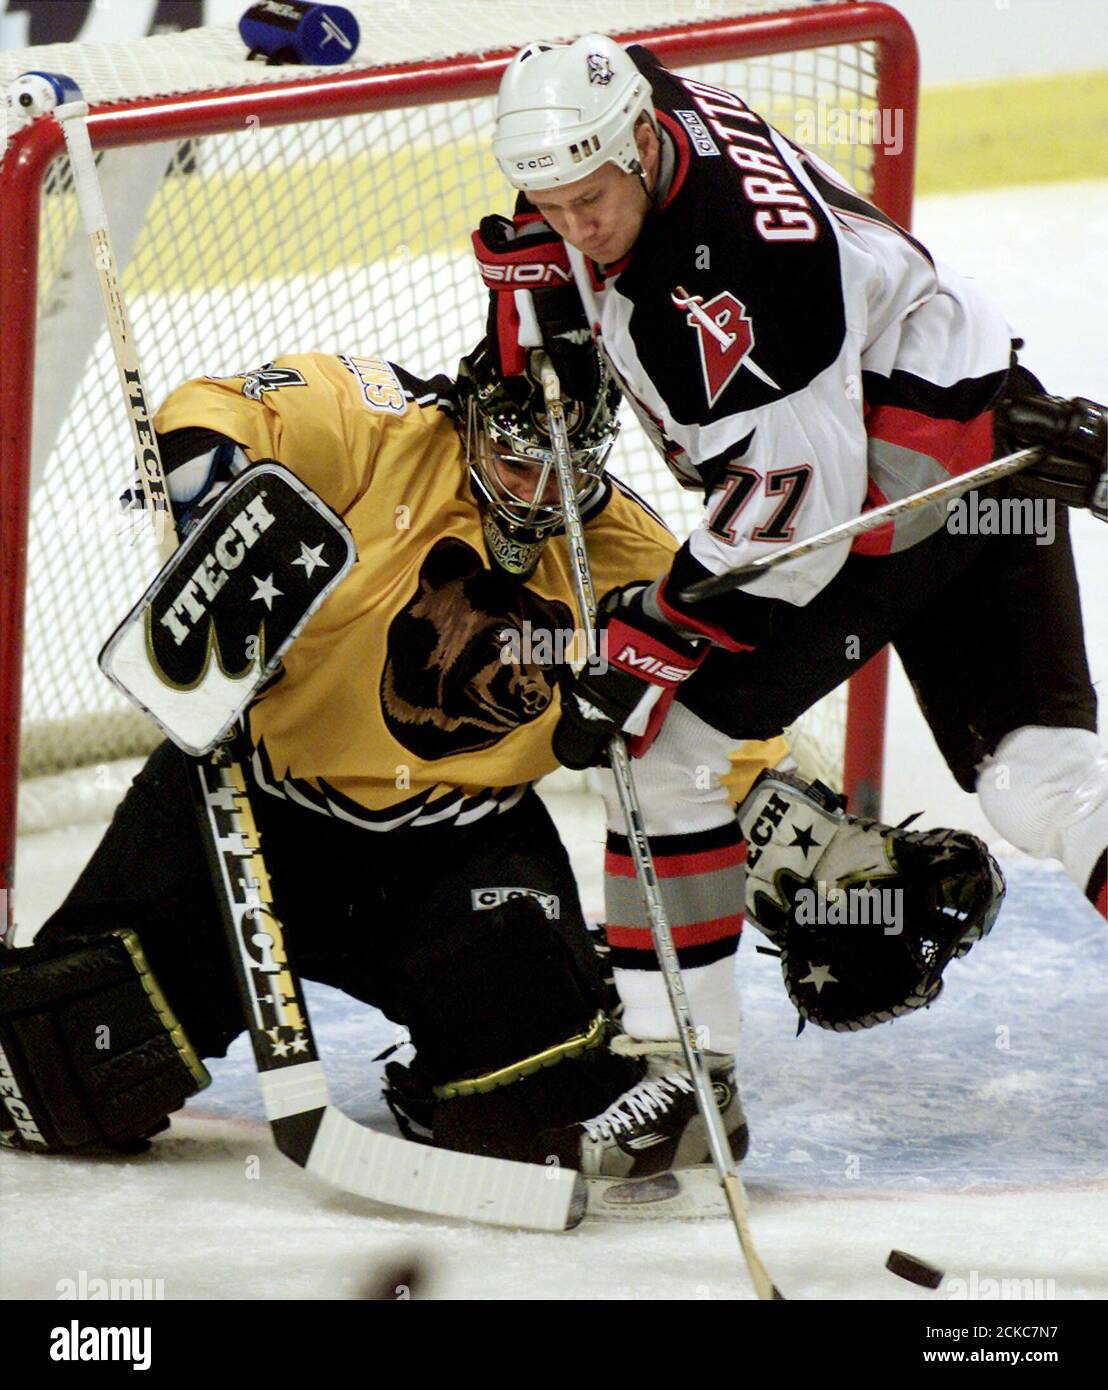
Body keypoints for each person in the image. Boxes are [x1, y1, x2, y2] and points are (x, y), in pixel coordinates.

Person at [0, 339, 775, 1187]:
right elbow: (209, 407)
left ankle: (539, 986)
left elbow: (723, 746)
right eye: (516, 465)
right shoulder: (374, 424)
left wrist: (812, 854)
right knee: (57, 1075)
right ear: (471, 417)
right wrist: (215, 504)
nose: (538, 494)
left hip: (459, 856)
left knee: (545, 1113)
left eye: (566, 473)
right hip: (254, 810)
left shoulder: (625, 559)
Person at [481, 33, 1107, 928]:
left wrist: (650, 638)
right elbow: (607, 81)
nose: (576, 226)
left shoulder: (738, 287)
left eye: (589, 200)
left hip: (896, 494)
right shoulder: (634, 105)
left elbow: (791, 527)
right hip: (987, 418)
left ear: (643, 144)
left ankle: (683, 1056)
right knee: (1042, 785)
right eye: (552, 202)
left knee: (664, 757)